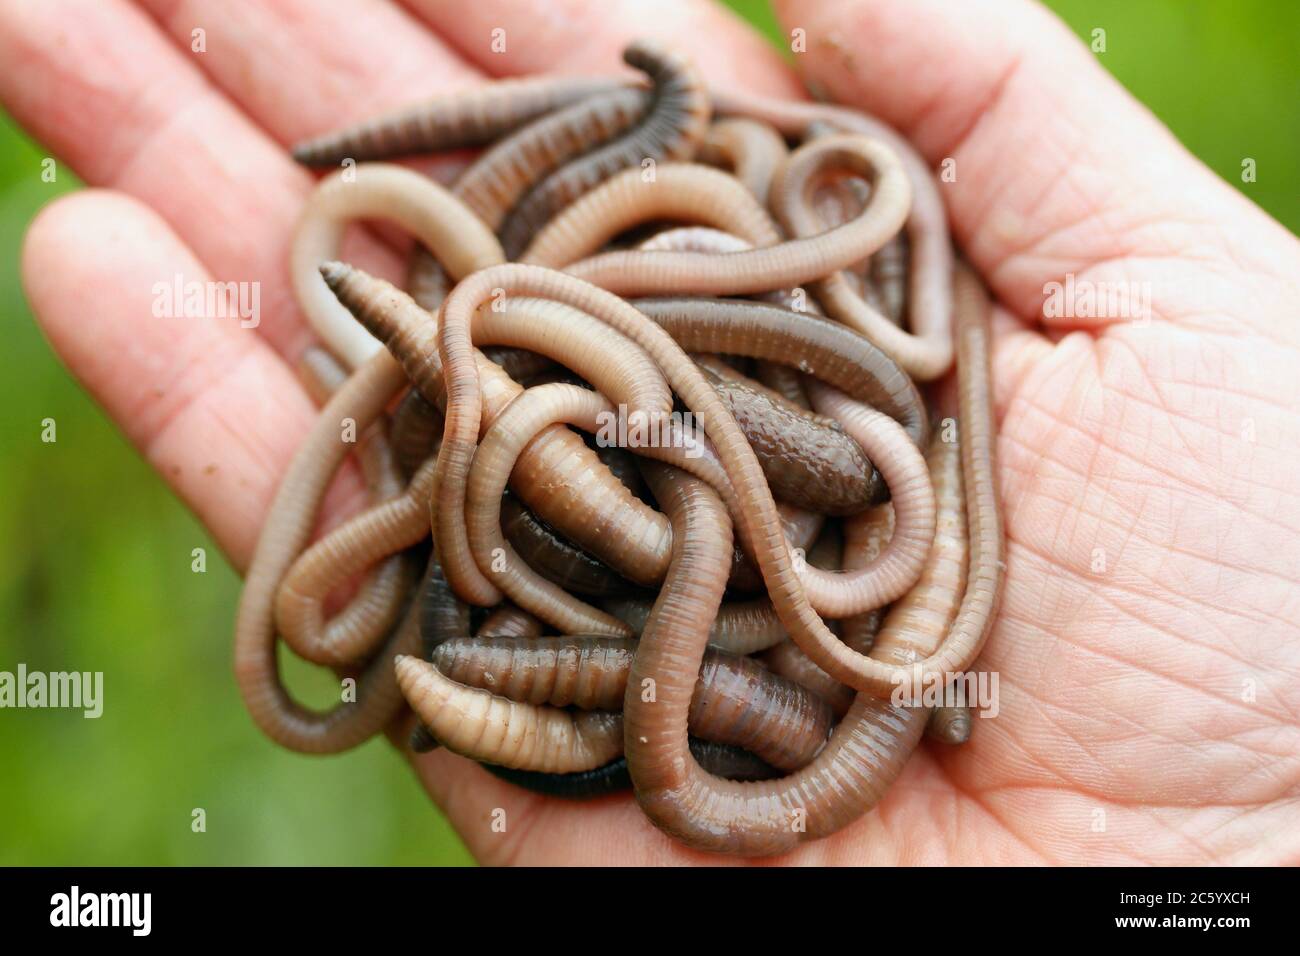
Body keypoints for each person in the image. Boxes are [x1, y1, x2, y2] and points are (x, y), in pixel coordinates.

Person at [4, 0, 1297, 865]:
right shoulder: (533, 374)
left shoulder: (826, 392)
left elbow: (837, 453)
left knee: (823, 469)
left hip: (718, 471)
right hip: (628, 463)